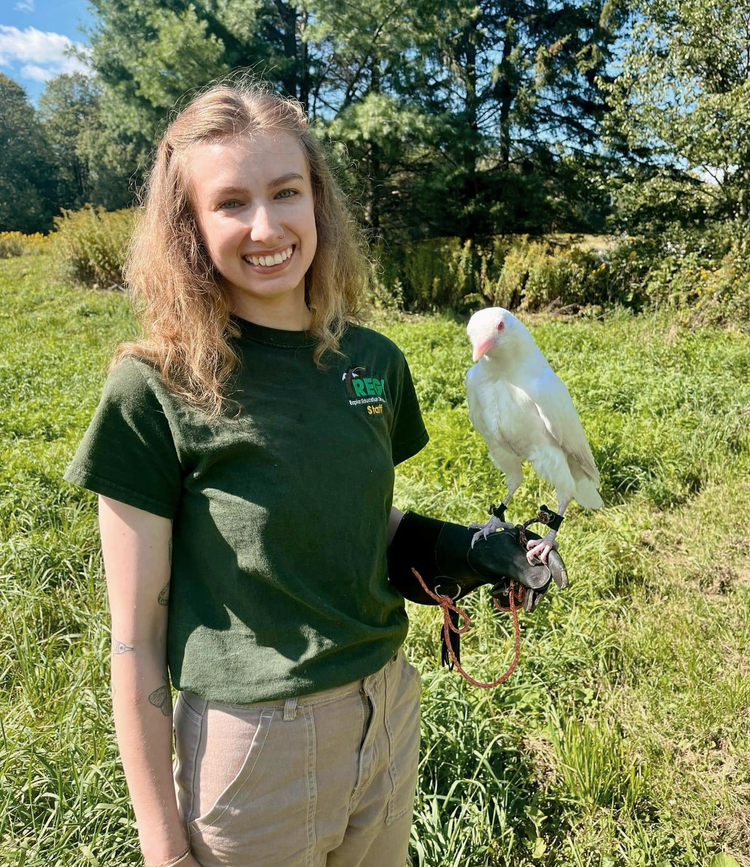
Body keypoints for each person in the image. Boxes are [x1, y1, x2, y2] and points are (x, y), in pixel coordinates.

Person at [62, 75, 566, 867]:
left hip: (388, 708)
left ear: (317, 202)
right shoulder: (155, 387)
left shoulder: (372, 361)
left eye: (285, 192)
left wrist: (469, 550)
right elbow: (136, 640)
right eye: (230, 202)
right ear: (190, 225)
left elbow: (365, 526)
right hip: (253, 745)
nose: (266, 226)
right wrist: (162, 847)